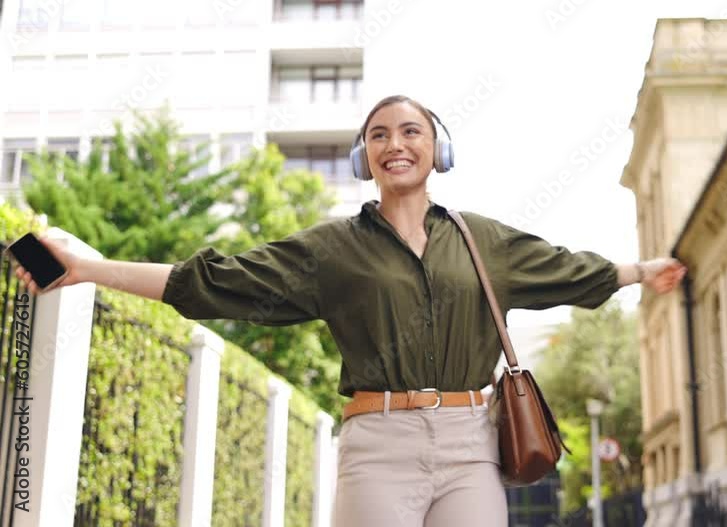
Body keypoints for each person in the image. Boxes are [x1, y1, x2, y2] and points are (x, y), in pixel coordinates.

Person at [13, 94, 686, 526]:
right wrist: (87, 268)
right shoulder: (332, 250)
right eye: (379, 135)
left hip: (469, 446)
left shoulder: (484, 241)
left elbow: (566, 269)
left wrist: (638, 271)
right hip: (379, 447)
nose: (395, 143)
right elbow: (217, 282)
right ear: (366, 157)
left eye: (411, 131)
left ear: (438, 150)